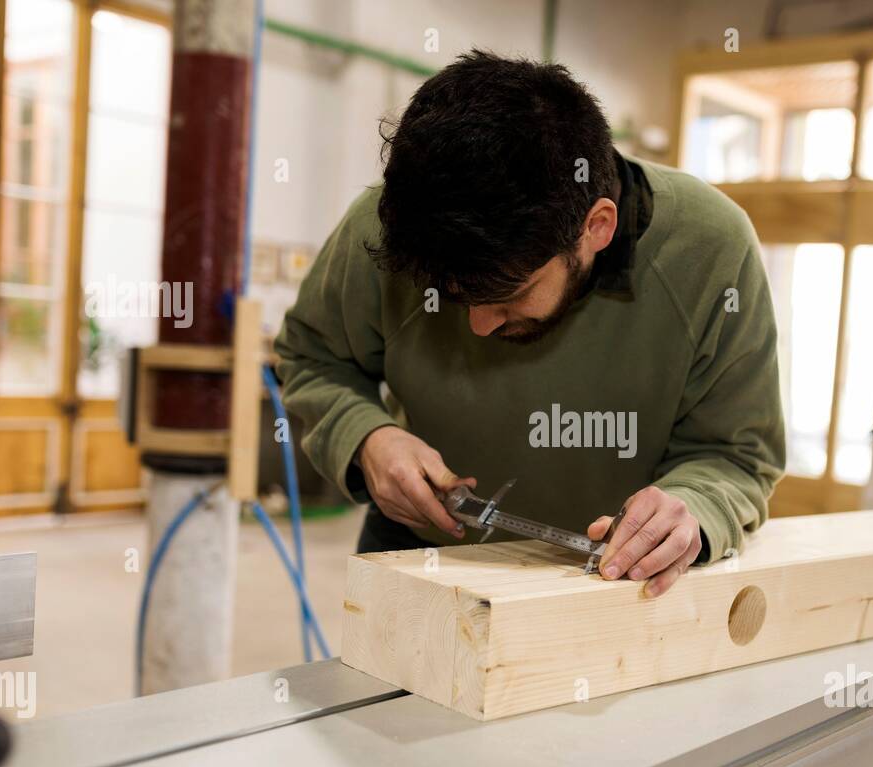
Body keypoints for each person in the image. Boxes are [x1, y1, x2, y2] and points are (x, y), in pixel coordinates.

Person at [274, 51, 784, 598]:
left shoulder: (712, 249)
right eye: (450, 297)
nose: (478, 327)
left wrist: (695, 509)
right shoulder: (397, 225)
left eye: (509, 295)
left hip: (615, 581)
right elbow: (311, 358)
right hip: (416, 550)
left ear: (597, 227)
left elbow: (737, 454)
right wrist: (366, 438)